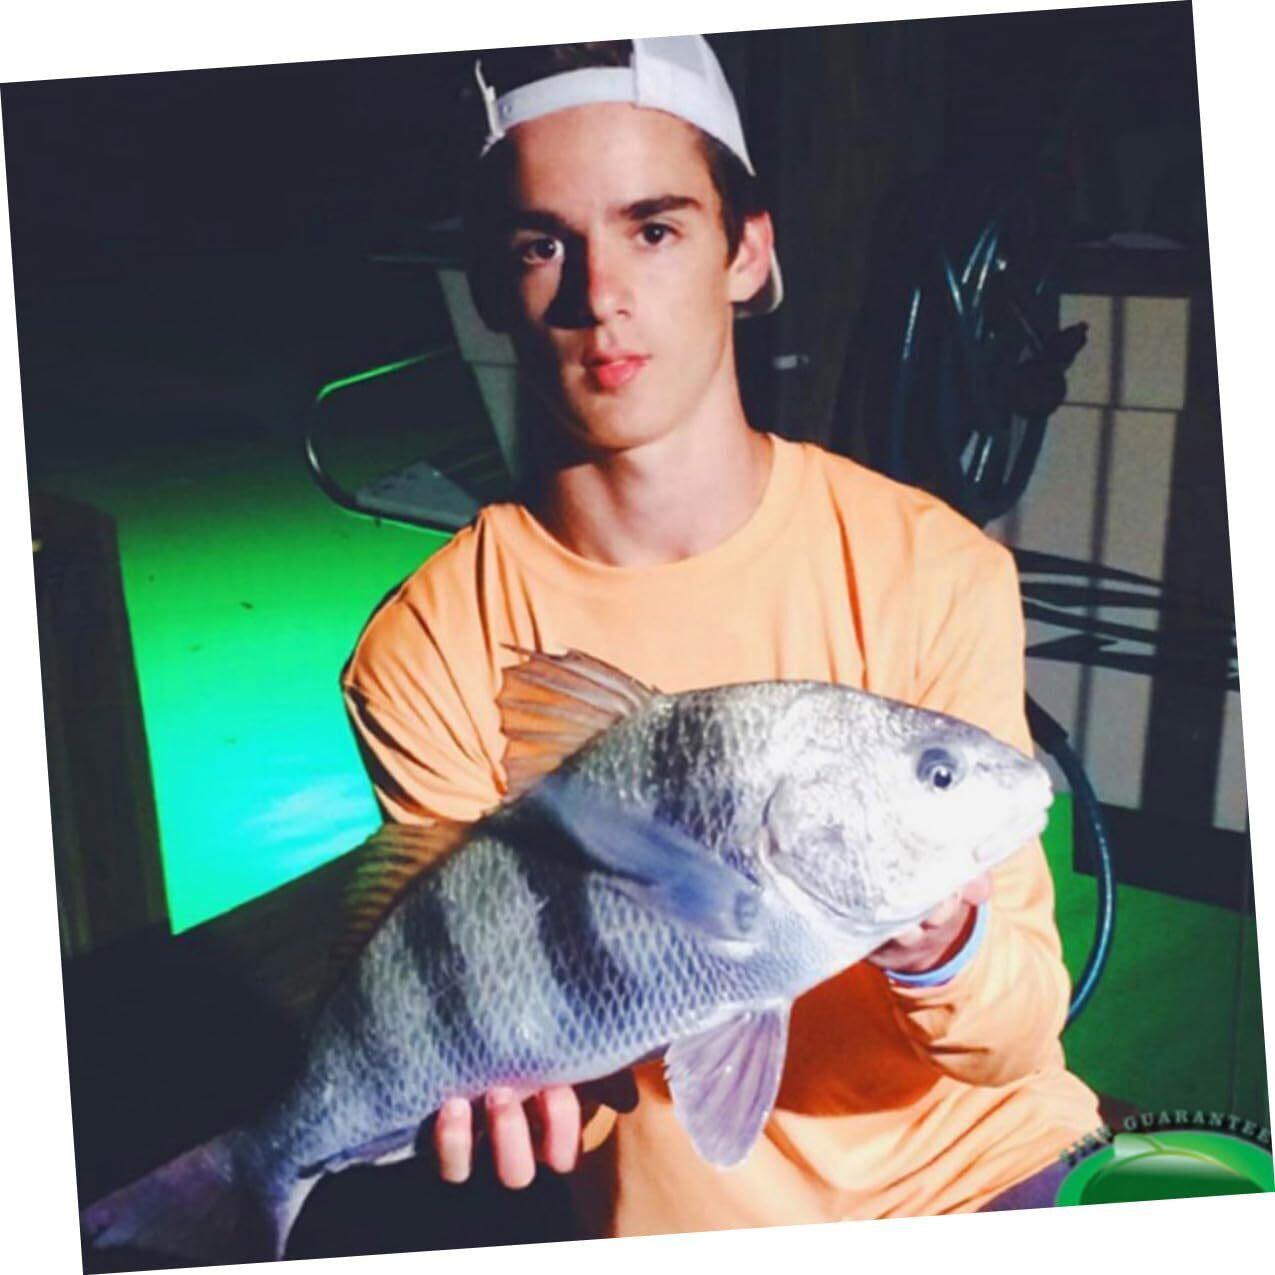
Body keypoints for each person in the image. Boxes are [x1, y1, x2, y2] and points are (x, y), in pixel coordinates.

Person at [340, 35, 1101, 1234]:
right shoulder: (428, 651)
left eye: (654, 228)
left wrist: (943, 936)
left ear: (746, 252)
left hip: (986, 1176)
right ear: (492, 285)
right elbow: (529, 1026)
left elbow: (1015, 1040)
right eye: (542, 245)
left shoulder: (934, 567)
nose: (600, 294)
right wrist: (512, 1083)